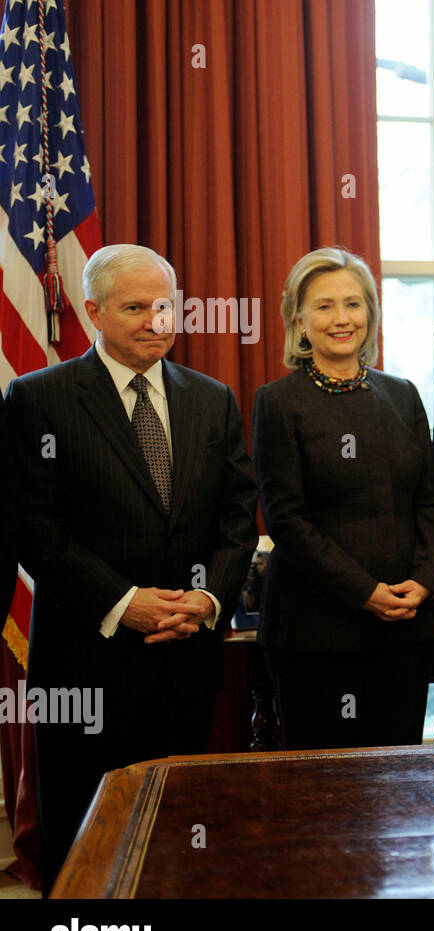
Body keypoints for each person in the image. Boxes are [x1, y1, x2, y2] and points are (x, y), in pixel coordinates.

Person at [5, 244, 259, 891]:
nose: (157, 319)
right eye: (135, 306)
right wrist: (124, 602)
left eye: (166, 305)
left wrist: (206, 602)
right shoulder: (39, 399)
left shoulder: (213, 399)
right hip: (87, 668)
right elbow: (35, 529)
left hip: (187, 664)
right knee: (84, 846)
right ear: (92, 311)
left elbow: (237, 517)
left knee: (178, 840)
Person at [252, 248, 434, 750]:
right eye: (324, 306)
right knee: (324, 798)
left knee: (398, 785)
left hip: (407, 631)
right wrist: (365, 592)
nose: (342, 318)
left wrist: (424, 582)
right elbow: (286, 520)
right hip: (316, 636)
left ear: (371, 313)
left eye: (353, 304)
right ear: (299, 318)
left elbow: (429, 499)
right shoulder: (278, 402)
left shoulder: (402, 393)